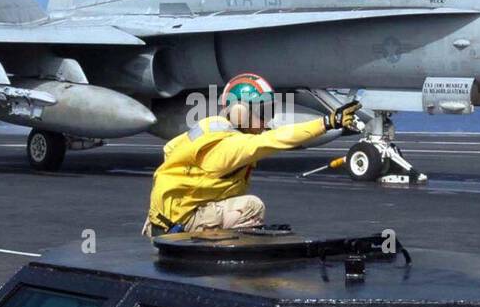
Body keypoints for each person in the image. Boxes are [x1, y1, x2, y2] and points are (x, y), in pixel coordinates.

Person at [142, 73, 361, 236]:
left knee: (232, 199)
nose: (266, 120)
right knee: (251, 207)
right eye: (262, 112)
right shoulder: (228, 145)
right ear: (240, 112)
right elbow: (273, 140)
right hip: (175, 226)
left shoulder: (214, 128)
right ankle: (210, 253)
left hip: (166, 219)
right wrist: (325, 123)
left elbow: (170, 149)